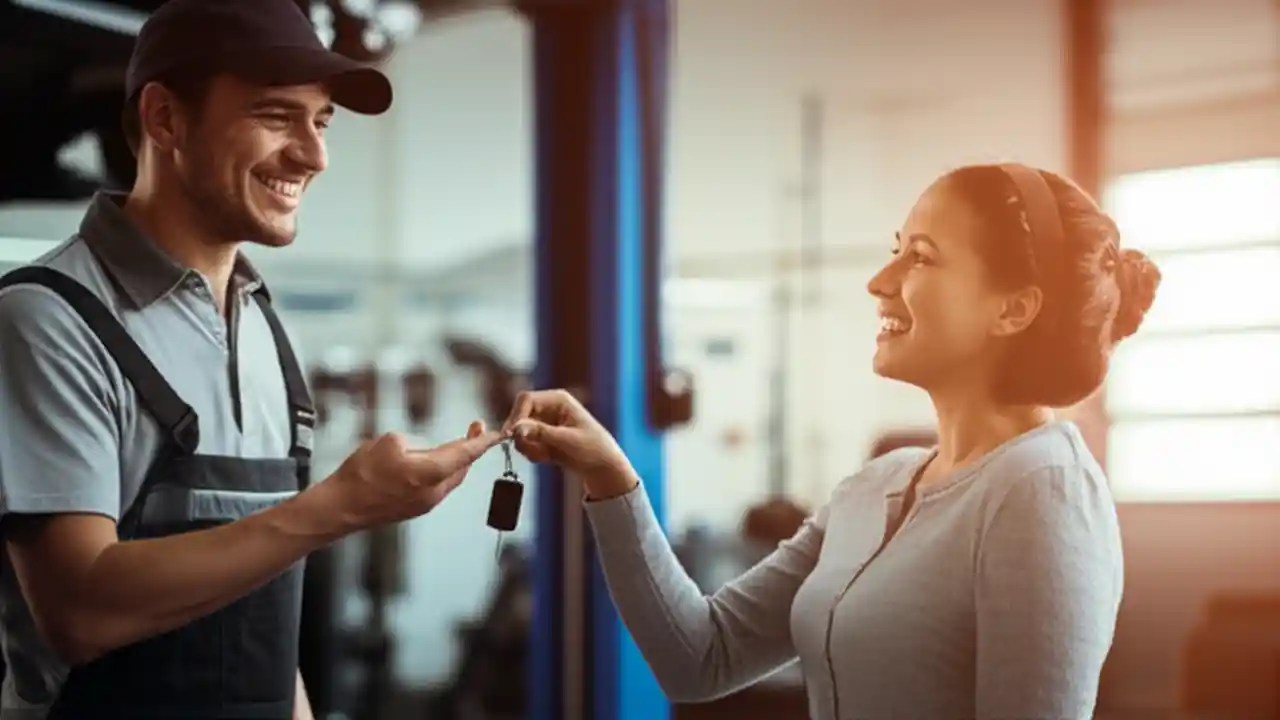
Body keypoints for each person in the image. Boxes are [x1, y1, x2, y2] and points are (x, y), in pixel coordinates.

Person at [502, 163, 1162, 719]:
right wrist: (610, 476)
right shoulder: (879, 484)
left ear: (1013, 308)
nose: (880, 280)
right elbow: (702, 658)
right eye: (896, 247)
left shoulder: (1042, 488)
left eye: (921, 257)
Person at [0, 1, 502, 717]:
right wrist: (338, 507)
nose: (315, 154)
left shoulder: (264, 330)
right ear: (165, 119)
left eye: (321, 121)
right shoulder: (47, 319)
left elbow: (262, 612)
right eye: (276, 116)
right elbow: (81, 609)